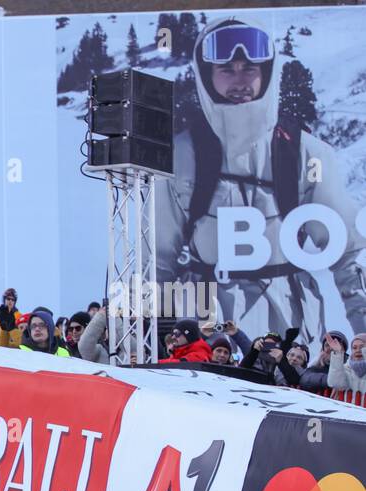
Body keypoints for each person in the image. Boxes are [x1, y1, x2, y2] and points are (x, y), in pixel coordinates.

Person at [157, 18, 366, 341]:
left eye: (249, 69)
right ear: (207, 75)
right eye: (227, 69)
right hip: (203, 325)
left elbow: (347, 256)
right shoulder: (179, 156)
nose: (239, 80)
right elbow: (158, 261)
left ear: (267, 72)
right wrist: (151, 339)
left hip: (288, 322)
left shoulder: (307, 153)